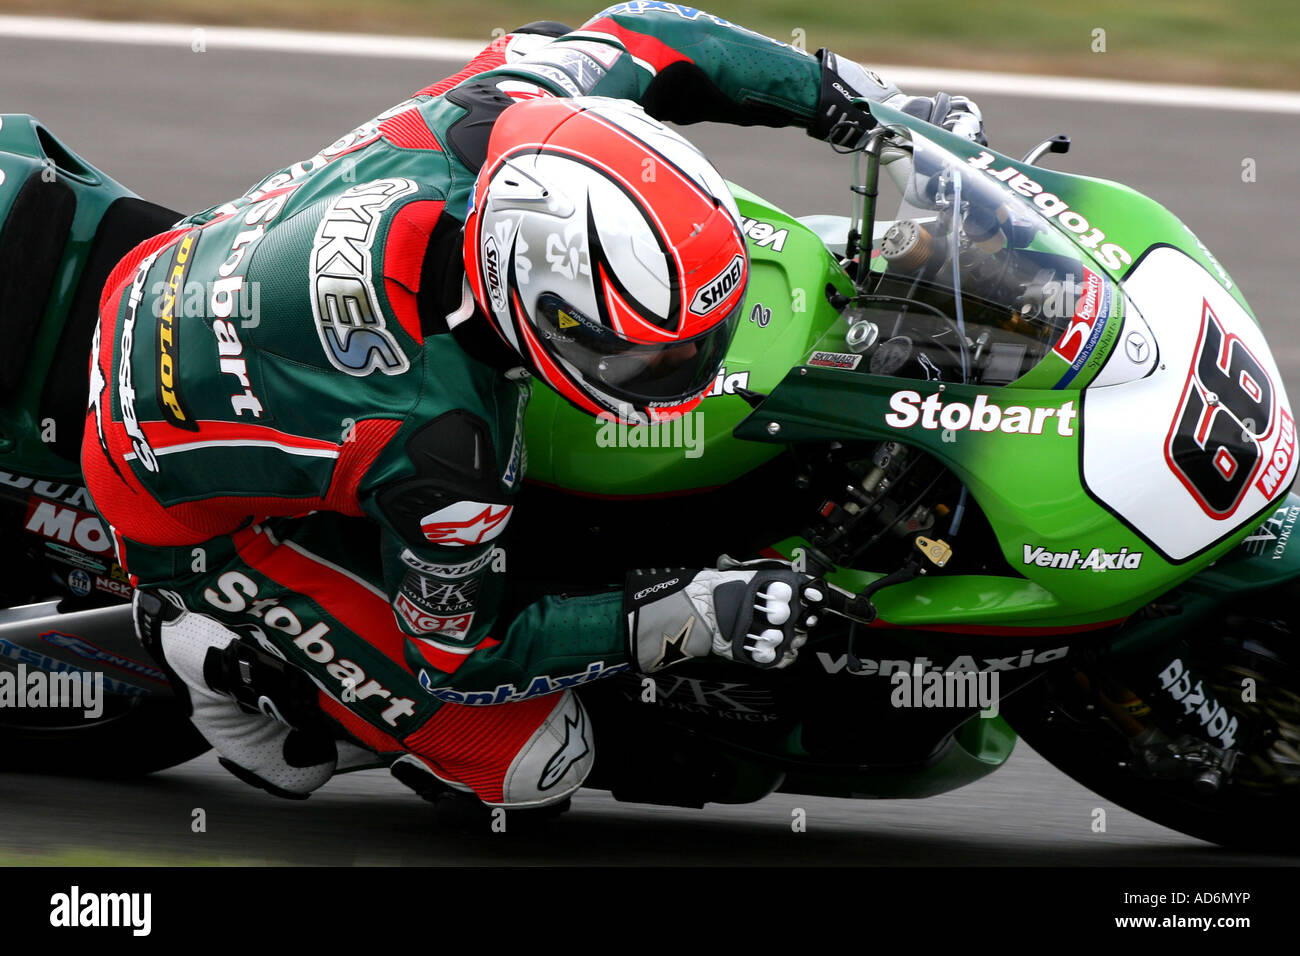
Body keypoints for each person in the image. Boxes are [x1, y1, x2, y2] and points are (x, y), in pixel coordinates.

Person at [81, 5, 984, 813]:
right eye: (646, 354)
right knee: (534, 763)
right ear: (532, 306)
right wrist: (694, 612)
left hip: (189, 264)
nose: (687, 370)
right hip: (176, 499)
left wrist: (870, 112)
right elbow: (466, 656)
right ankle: (211, 650)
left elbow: (652, 33)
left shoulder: (505, 111)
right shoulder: (443, 447)